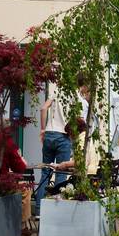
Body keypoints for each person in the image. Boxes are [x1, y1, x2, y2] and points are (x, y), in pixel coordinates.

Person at [34, 79, 76, 214]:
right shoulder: (74, 95)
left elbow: (43, 108)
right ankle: (57, 212)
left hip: (49, 133)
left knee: (45, 173)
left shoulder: (56, 91)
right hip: (63, 136)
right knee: (61, 173)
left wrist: (42, 129)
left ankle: (39, 211)